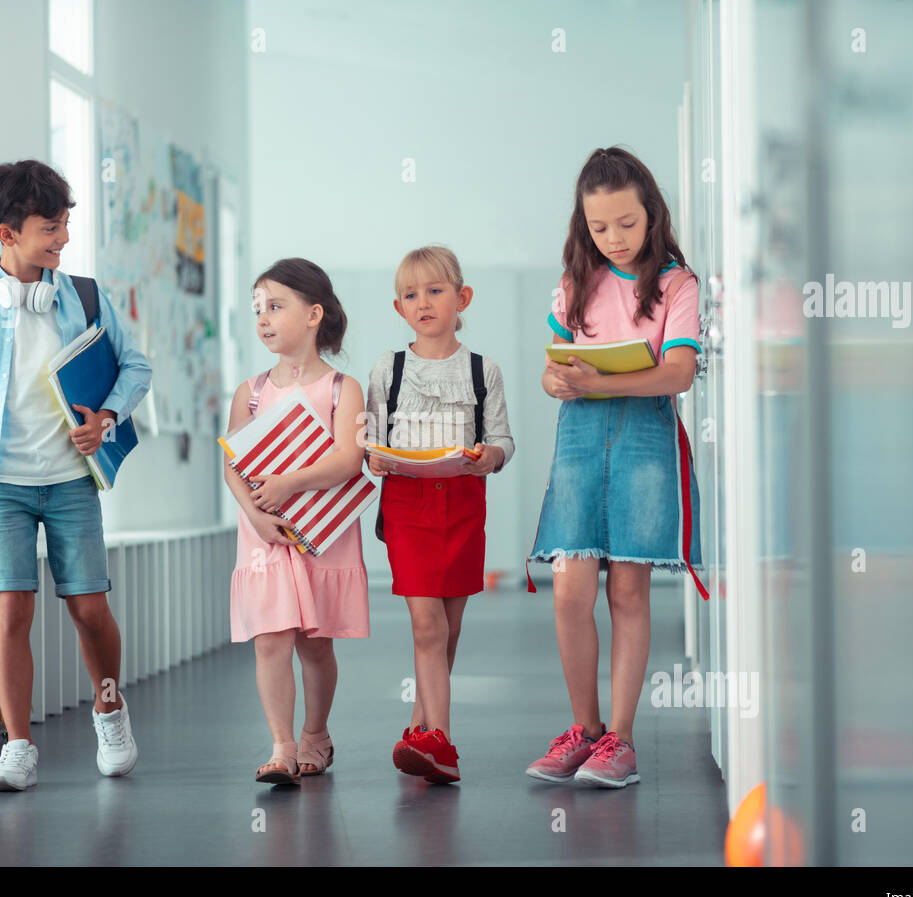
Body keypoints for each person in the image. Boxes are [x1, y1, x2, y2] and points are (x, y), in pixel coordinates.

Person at [0, 160, 152, 792]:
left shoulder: (83, 296)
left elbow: (135, 367)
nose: (62, 239)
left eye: (65, 224)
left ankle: (109, 710)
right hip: (0, 481)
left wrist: (106, 415)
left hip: (72, 479)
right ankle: (18, 745)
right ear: (7, 234)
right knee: (11, 614)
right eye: (49, 228)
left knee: (88, 608)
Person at [526, 146, 707, 789]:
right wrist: (560, 383)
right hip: (578, 439)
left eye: (626, 224)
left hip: (643, 440)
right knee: (571, 591)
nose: (614, 239)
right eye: (599, 227)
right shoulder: (577, 281)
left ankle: (622, 743)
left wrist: (596, 383)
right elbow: (552, 371)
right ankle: (587, 730)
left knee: (627, 592)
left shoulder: (677, 285)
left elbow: (680, 372)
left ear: (651, 213)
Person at [365, 245, 515, 784]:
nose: (422, 302)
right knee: (425, 623)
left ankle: (418, 728)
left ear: (462, 297)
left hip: (464, 502)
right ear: (399, 308)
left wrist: (488, 460)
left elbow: (501, 441)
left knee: (447, 629)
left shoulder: (483, 371)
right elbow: (371, 439)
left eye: (434, 290)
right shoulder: (390, 367)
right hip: (407, 504)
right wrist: (375, 456)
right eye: (410, 294)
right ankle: (443, 746)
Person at [225, 258, 370, 785]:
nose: (264, 318)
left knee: (314, 641)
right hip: (265, 532)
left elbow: (348, 460)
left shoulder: (342, 388)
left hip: (319, 532)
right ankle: (282, 745)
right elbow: (233, 462)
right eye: (258, 308)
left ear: (314, 314)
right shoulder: (252, 391)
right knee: (271, 637)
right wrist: (255, 516)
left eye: (276, 306)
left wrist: (288, 483)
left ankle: (316, 734)